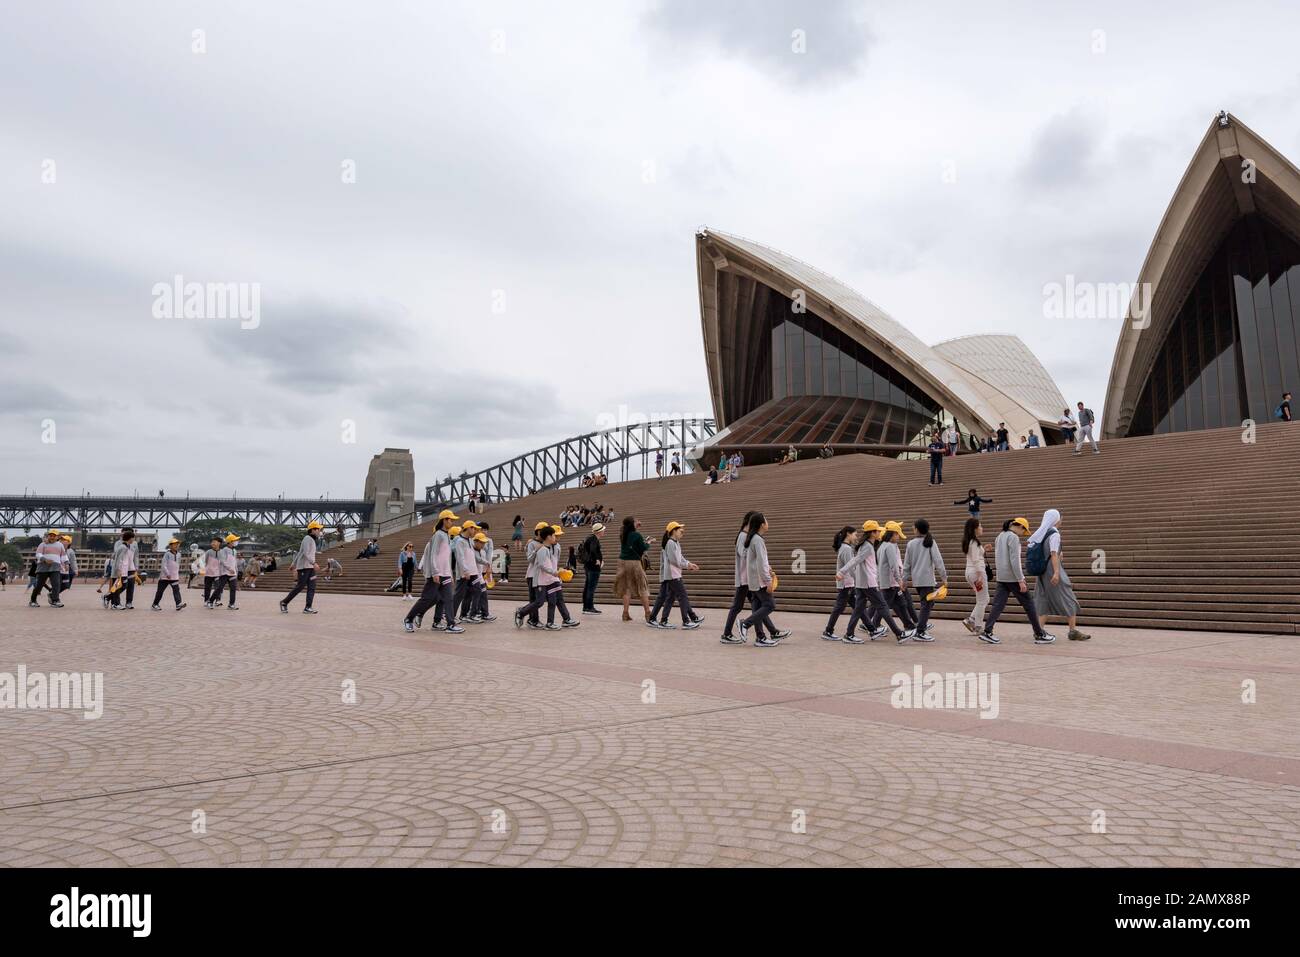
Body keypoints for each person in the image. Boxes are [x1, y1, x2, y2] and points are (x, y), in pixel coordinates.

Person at [979, 517, 1053, 644]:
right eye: (1023, 531)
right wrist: (1021, 579)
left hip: (1002, 577)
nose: (1022, 534)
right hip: (1013, 578)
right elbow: (1015, 561)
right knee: (1029, 605)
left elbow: (1000, 558)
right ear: (1020, 527)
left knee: (998, 605)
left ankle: (987, 631)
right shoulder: (1013, 538)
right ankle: (1039, 633)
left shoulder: (1000, 536)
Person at [838, 520, 911, 643]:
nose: (880, 533)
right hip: (868, 583)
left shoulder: (867, 545)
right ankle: (899, 633)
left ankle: (849, 634)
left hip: (862, 583)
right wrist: (842, 572)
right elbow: (855, 560)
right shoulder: (867, 546)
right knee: (883, 607)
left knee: (859, 609)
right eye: (877, 531)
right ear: (872, 533)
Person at [721, 511, 787, 645]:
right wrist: (754, 552)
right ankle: (732, 631)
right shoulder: (744, 536)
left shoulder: (750, 537)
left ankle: (768, 633)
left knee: (757, 606)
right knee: (742, 607)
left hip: (751, 577)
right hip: (746, 579)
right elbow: (744, 553)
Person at [1028, 509, 1091, 640]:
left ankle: (1039, 630)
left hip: (1042, 571)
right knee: (1068, 596)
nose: (1062, 520)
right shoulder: (1054, 534)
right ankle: (1072, 631)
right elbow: (1053, 554)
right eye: (1061, 518)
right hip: (1052, 569)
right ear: (1056, 519)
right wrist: (1057, 572)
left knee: (1043, 599)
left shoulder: (1043, 533)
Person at [513, 525, 578, 630]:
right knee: (539, 601)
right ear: (548, 537)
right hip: (540, 580)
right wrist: (555, 572)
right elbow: (542, 565)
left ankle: (550, 623)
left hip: (550, 578)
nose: (556, 538)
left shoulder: (551, 547)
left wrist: (557, 573)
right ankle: (521, 612)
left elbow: (551, 563)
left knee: (552, 600)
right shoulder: (542, 549)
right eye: (554, 535)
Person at [403, 511, 459, 632]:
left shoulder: (447, 536)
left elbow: (446, 558)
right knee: (427, 598)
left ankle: (451, 624)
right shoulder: (438, 535)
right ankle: (408, 619)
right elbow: (433, 555)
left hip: (446, 574)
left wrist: (449, 573)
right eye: (451, 520)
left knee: (448, 598)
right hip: (437, 573)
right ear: (444, 520)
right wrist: (435, 572)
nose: (452, 522)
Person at [738, 513, 781, 647]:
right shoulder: (758, 540)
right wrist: (768, 581)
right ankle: (745, 624)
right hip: (760, 581)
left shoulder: (753, 539)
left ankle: (760, 637)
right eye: (766, 520)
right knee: (770, 605)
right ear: (762, 524)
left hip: (754, 580)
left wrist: (768, 568)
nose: (768, 522)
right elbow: (760, 563)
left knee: (757, 607)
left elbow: (757, 561)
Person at [649, 521, 701, 629]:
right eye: (679, 530)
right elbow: (674, 561)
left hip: (675, 574)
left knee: (670, 598)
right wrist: (687, 566)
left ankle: (663, 620)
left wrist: (689, 563)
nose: (682, 531)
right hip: (672, 575)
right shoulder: (670, 543)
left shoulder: (675, 543)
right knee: (683, 596)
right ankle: (686, 621)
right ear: (673, 531)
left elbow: (680, 558)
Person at [902, 518, 946, 641]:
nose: (913, 529)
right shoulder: (931, 542)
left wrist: (904, 580)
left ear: (917, 529)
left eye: (914, 527)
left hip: (917, 580)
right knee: (926, 604)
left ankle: (921, 626)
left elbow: (907, 565)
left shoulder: (911, 544)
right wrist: (944, 577)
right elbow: (939, 562)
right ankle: (920, 631)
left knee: (928, 603)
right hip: (927, 580)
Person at [822, 526, 859, 641]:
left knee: (858, 606)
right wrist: (858, 581)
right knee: (840, 607)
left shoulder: (845, 547)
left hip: (847, 583)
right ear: (848, 534)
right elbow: (851, 567)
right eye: (855, 534)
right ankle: (828, 631)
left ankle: (871, 628)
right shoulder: (846, 549)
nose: (856, 537)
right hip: (846, 583)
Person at [877, 521, 915, 633]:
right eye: (897, 534)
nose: (898, 537)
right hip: (891, 583)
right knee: (884, 607)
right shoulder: (889, 547)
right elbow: (894, 566)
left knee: (902, 604)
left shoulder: (882, 546)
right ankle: (873, 626)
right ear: (893, 534)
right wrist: (900, 581)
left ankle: (909, 625)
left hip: (888, 582)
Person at [613, 516, 653, 623]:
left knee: (626, 588)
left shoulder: (623, 534)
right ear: (632, 524)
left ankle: (625, 614)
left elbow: (627, 531)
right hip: (634, 563)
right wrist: (648, 542)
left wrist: (635, 526)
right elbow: (643, 548)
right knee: (642, 587)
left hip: (622, 562)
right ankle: (648, 614)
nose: (638, 522)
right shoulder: (636, 535)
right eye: (636, 521)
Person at [281, 521, 324, 615]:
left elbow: (300, 552)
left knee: (312, 587)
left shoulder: (311, 540)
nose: (319, 531)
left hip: (310, 568)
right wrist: (314, 563)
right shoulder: (307, 538)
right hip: (304, 567)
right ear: (312, 530)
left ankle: (308, 607)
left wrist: (293, 563)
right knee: (300, 586)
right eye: (318, 529)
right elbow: (305, 553)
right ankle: (284, 602)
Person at [960, 518, 989, 635]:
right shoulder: (975, 542)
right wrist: (981, 576)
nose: (982, 528)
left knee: (984, 599)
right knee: (982, 600)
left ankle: (971, 620)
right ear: (975, 528)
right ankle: (977, 626)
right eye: (980, 526)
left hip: (970, 573)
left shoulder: (969, 541)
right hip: (977, 573)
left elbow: (975, 556)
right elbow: (976, 561)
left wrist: (984, 550)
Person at [30, 529, 66, 608]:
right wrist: (44, 560)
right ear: (48, 536)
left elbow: (63, 555)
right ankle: (33, 600)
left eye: (54, 536)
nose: (52, 537)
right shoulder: (42, 544)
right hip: (43, 567)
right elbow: (38, 554)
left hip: (55, 567)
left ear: (57, 537)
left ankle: (55, 601)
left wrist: (66, 563)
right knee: (39, 585)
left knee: (56, 584)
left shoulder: (60, 545)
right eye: (50, 535)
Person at [151, 538, 187, 611]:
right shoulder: (167, 554)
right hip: (165, 577)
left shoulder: (179, 554)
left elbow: (177, 564)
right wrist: (167, 573)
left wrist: (176, 574)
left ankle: (178, 604)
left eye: (177, 544)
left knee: (176, 590)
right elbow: (163, 565)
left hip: (174, 577)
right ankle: (155, 604)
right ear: (170, 546)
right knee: (160, 591)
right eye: (174, 544)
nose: (176, 545)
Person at [108, 528, 139, 609]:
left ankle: (128, 602)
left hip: (130, 568)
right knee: (120, 585)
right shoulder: (120, 545)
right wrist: (118, 569)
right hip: (121, 569)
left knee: (129, 586)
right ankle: (114, 601)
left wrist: (136, 567)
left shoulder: (134, 544)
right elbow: (118, 557)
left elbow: (135, 556)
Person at [579, 523, 605, 614]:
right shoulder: (594, 539)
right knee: (591, 587)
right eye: (603, 530)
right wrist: (597, 559)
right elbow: (593, 550)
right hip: (593, 567)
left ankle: (586, 607)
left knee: (587, 587)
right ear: (599, 531)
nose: (604, 531)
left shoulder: (589, 538)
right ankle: (589, 607)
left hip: (588, 565)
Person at [216, 533, 241, 610]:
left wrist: (236, 570)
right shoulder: (224, 550)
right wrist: (229, 568)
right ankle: (212, 600)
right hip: (224, 573)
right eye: (235, 540)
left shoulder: (235, 551)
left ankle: (231, 604)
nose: (236, 541)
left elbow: (234, 562)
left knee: (233, 588)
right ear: (230, 542)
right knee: (220, 588)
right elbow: (222, 561)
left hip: (232, 573)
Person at [202, 535, 223, 607]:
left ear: (219, 543)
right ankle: (206, 600)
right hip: (208, 573)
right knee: (207, 588)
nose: (212, 543)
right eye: (212, 542)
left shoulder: (222, 552)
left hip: (218, 573)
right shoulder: (208, 552)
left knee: (218, 587)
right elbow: (204, 561)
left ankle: (217, 600)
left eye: (214, 542)